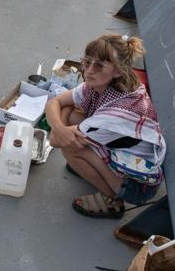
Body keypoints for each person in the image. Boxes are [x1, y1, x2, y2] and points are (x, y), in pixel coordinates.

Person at [45, 34, 165, 219]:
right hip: (126, 156)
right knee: (73, 120)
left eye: (99, 65)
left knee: (71, 148)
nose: (89, 71)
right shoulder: (110, 84)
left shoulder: (117, 113)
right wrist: (63, 120)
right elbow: (55, 101)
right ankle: (92, 167)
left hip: (138, 185)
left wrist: (62, 122)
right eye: (87, 62)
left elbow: (54, 139)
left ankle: (113, 200)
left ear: (117, 71)